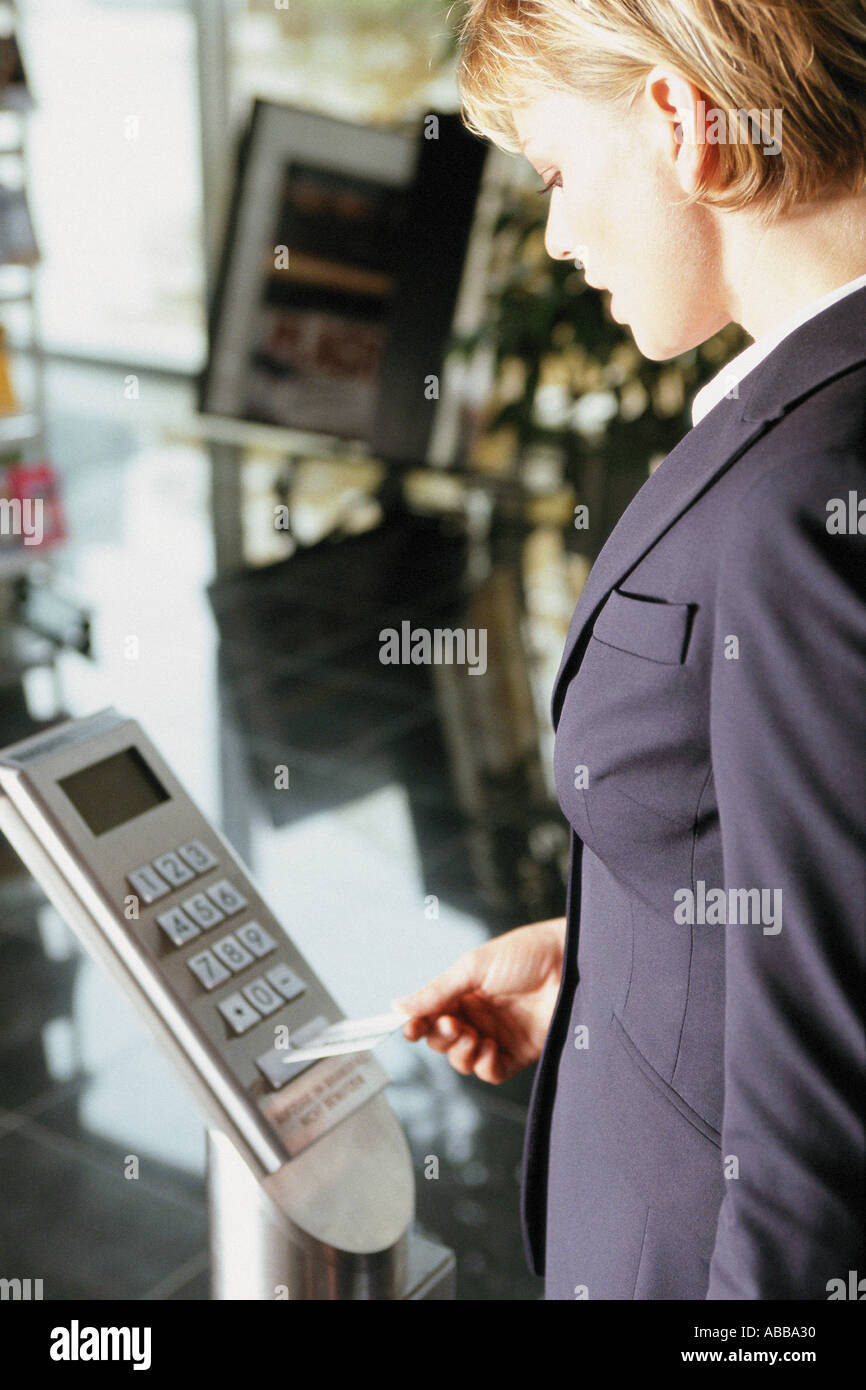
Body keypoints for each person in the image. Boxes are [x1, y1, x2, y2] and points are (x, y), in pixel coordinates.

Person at [393, 0, 866, 1300]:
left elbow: (829, 1091)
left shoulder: (801, 493)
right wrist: (608, 952)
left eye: (554, 174)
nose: (556, 232)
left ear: (679, 122)